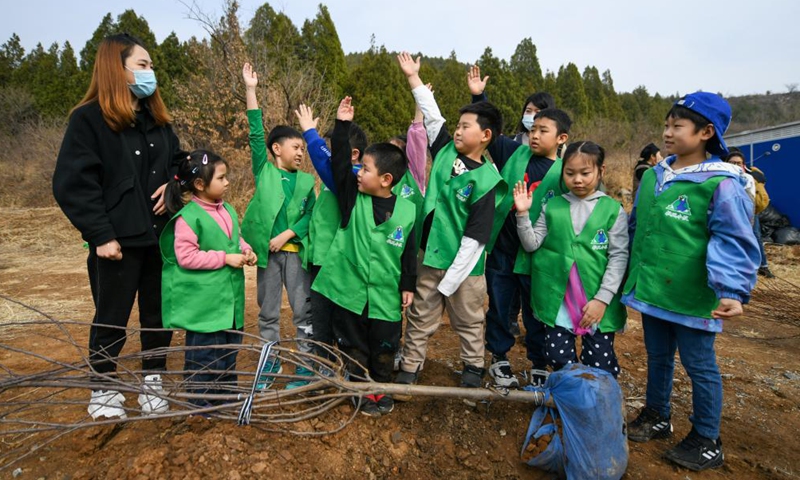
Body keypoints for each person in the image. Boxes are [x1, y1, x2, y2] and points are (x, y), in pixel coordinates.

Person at [623, 92, 760, 471]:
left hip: (694, 294)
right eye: (666, 125)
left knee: (700, 366)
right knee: (658, 356)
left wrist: (732, 289)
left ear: (706, 132)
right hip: (653, 288)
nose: (667, 133)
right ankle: (657, 415)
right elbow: (636, 228)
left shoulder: (721, 183)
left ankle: (706, 439)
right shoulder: (654, 176)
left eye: (677, 126)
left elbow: (731, 237)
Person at [52, 33, 186, 419]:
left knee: (157, 315)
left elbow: (181, 165)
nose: (151, 73)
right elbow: (73, 183)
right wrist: (100, 234)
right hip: (117, 242)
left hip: (159, 237)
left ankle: (153, 381)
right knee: (111, 316)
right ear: (117, 68)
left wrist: (176, 186)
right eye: (143, 66)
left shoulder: (158, 122)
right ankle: (104, 388)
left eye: (151, 66)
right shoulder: (89, 120)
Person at [394, 52, 506, 398]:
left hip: (465, 269)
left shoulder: (487, 180)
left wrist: (451, 280)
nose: (457, 131)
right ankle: (410, 367)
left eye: (466, 127)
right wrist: (413, 78)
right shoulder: (445, 151)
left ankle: (473, 366)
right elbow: (431, 115)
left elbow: (476, 239)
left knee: (469, 319)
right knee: (420, 317)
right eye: (457, 126)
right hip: (429, 256)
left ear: (485, 135)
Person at [312, 97, 417, 416]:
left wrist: (408, 284)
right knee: (354, 345)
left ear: (386, 180)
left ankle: (380, 390)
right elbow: (340, 164)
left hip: (385, 296)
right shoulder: (350, 198)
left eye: (366, 169)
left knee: (385, 346)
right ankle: (360, 391)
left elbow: (409, 252)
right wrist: (341, 126)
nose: (359, 173)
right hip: (350, 293)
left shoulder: (408, 210)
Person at [513, 141, 628, 377]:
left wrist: (603, 299)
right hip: (559, 300)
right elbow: (531, 243)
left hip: (596, 302)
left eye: (585, 173)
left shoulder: (612, 209)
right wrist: (523, 213)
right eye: (570, 173)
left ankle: (594, 402)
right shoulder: (552, 206)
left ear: (600, 172)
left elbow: (618, 256)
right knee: (557, 356)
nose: (577, 180)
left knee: (599, 361)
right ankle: (569, 396)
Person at [468, 66, 557, 344]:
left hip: (538, 252)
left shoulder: (565, 168)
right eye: (529, 113)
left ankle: (539, 361)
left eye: (541, 119)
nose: (532, 123)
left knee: (536, 311)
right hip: (504, 247)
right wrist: (479, 96)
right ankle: (498, 355)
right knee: (500, 306)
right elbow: (489, 132)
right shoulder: (511, 151)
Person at [241, 63, 317, 389]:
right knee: (268, 313)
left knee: (303, 313)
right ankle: (268, 362)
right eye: (296, 147)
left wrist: (288, 233)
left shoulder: (306, 181)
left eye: (303, 148)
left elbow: (311, 215)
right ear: (276, 149)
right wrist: (251, 90)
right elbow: (255, 133)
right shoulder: (265, 172)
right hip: (268, 258)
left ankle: (305, 365)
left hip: (296, 254)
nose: (301, 153)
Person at [160, 150, 256, 407]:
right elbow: (186, 257)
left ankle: (225, 396)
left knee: (228, 350)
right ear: (200, 185)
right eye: (221, 178)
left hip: (229, 304)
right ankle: (200, 404)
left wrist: (245, 249)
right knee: (205, 356)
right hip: (206, 308)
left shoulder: (227, 210)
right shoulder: (189, 218)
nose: (227, 182)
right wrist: (225, 258)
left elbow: (233, 239)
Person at [295, 104, 368, 363]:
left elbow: (327, 163)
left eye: (336, 147)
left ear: (353, 154)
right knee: (321, 321)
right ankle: (324, 368)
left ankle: (347, 369)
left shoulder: (354, 178)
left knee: (340, 322)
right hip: (320, 260)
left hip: (337, 264)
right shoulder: (335, 181)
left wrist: (311, 134)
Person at [725, 150, 774, 278]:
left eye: (738, 163)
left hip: (749, 212)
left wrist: (750, 217)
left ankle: (763, 266)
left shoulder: (749, 177)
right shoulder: (723, 176)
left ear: (743, 164)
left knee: (755, 237)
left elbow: (754, 195)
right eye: (732, 163)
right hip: (729, 213)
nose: (735, 165)